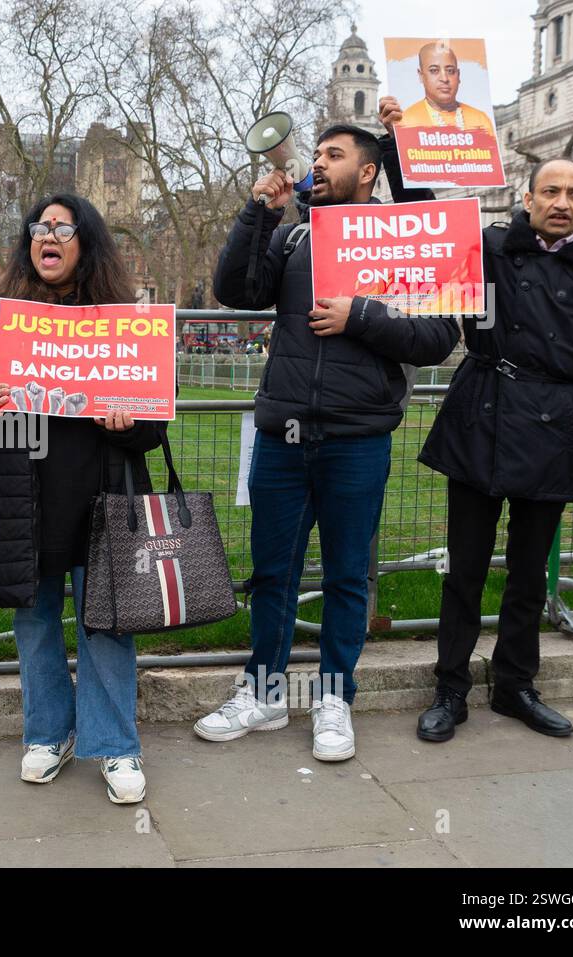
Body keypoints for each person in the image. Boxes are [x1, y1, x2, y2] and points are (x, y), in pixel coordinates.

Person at [198, 122, 460, 761]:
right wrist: (257, 213)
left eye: (333, 155)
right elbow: (236, 291)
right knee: (272, 572)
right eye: (315, 153)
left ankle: (334, 698)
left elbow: (437, 338)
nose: (318, 163)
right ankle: (262, 694)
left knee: (347, 575)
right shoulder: (291, 237)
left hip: (358, 438)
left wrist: (360, 316)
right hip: (282, 435)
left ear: (367, 172)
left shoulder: (401, 242)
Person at [0, 193, 165, 804]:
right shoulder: (0, 320)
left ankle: (117, 745)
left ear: (85, 244)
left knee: (107, 626)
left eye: (63, 229)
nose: (49, 236)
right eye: (39, 227)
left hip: (104, 498)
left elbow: (154, 426)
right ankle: (47, 734)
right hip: (24, 496)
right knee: (35, 619)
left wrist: (129, 419)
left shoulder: (124, 321)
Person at [414, 155, 573, 742]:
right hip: (481, 416)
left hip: (554, 425)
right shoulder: (487, 248)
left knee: (529, 574)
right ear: (528, 196)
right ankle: (450, 689)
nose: (563, 203)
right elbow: (421, 225)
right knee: (464, 570)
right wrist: (395, 143)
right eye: (552, 191)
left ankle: (515, 685)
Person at [399, 41, 496, 136]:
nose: (444, 79)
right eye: (434, 70)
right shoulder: (407, 120)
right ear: (421, 76)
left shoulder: (480, 120)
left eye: (450, 71)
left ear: (458, 75)